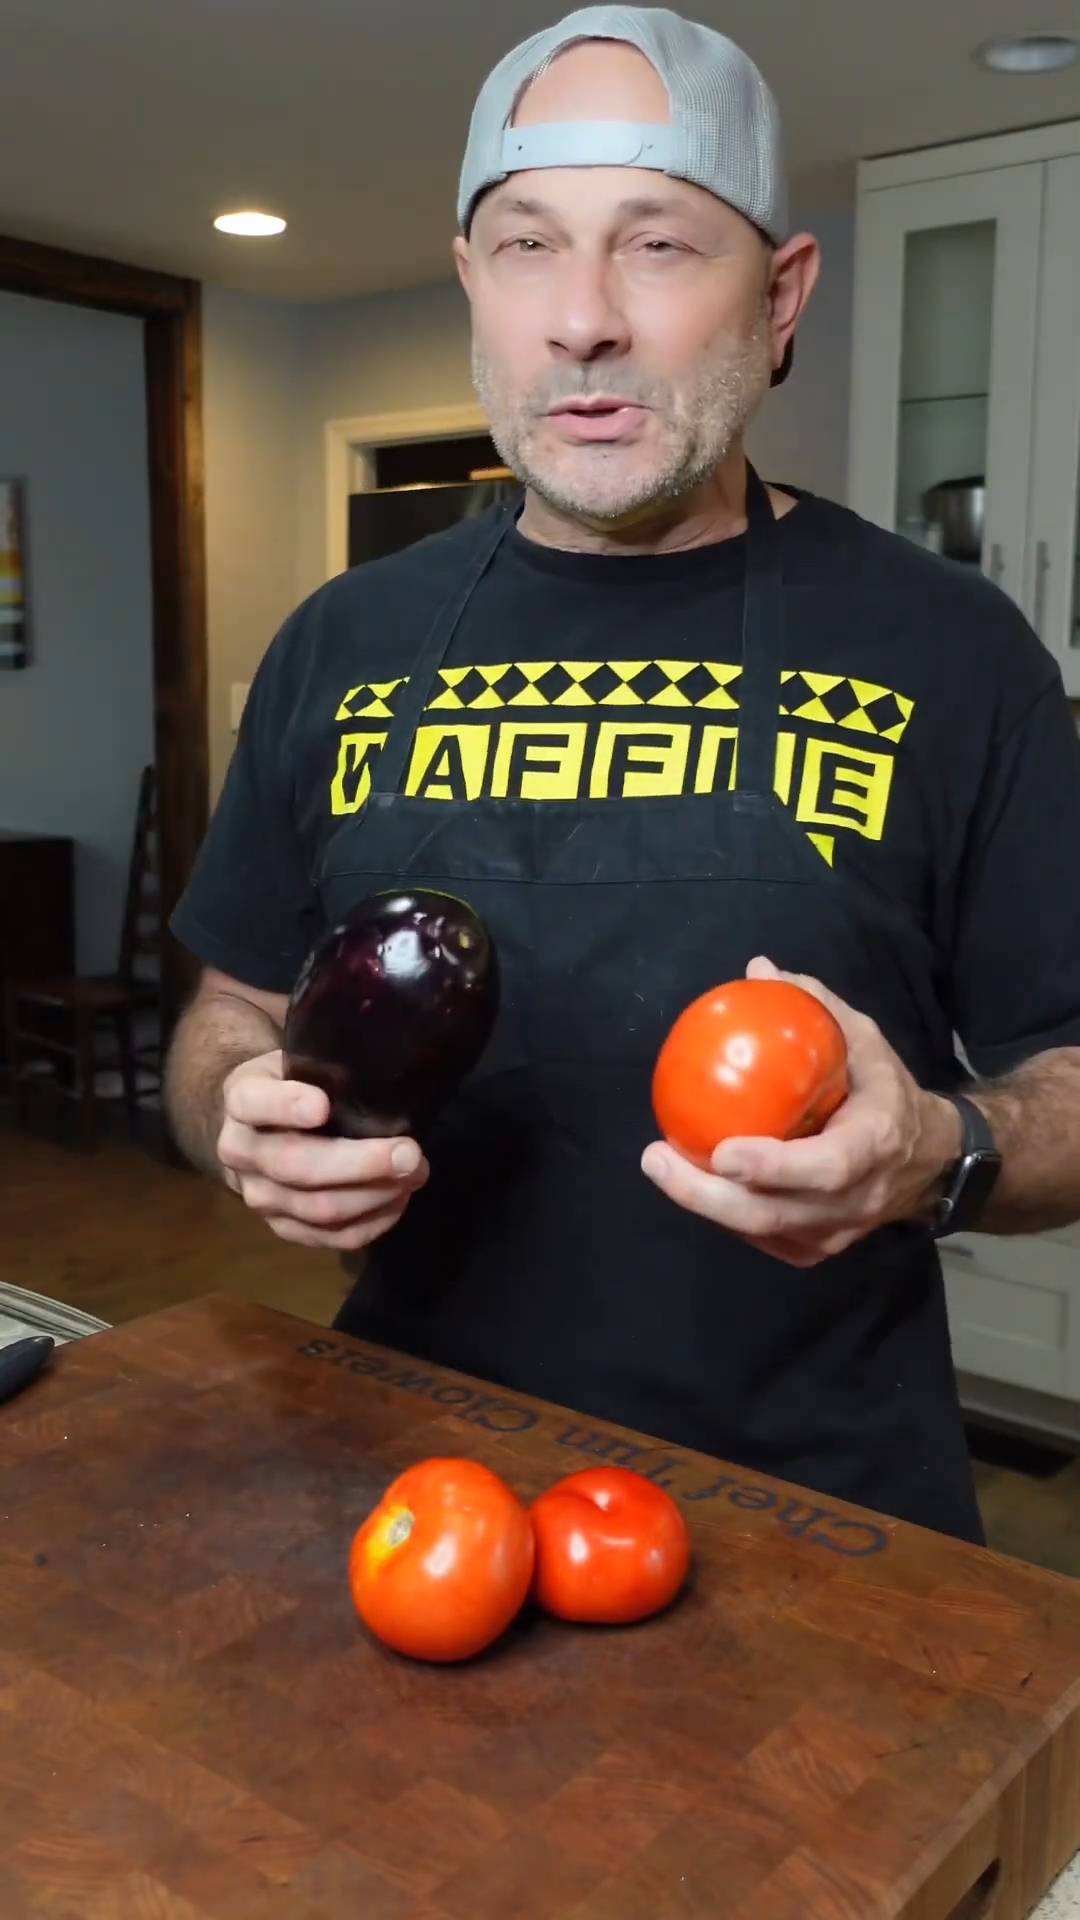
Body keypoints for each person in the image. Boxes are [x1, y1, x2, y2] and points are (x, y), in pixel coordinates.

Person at [165, 5, 1080, 1544]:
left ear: (779, 297)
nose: (582, 317)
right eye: (528, 246)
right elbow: (227, 1015)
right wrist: (239, 1110)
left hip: (830, 1524)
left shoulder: (956, 651)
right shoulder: (344, 641)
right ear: (474, 288)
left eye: (657, 245)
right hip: (416, 1485)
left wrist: (945, 1148)